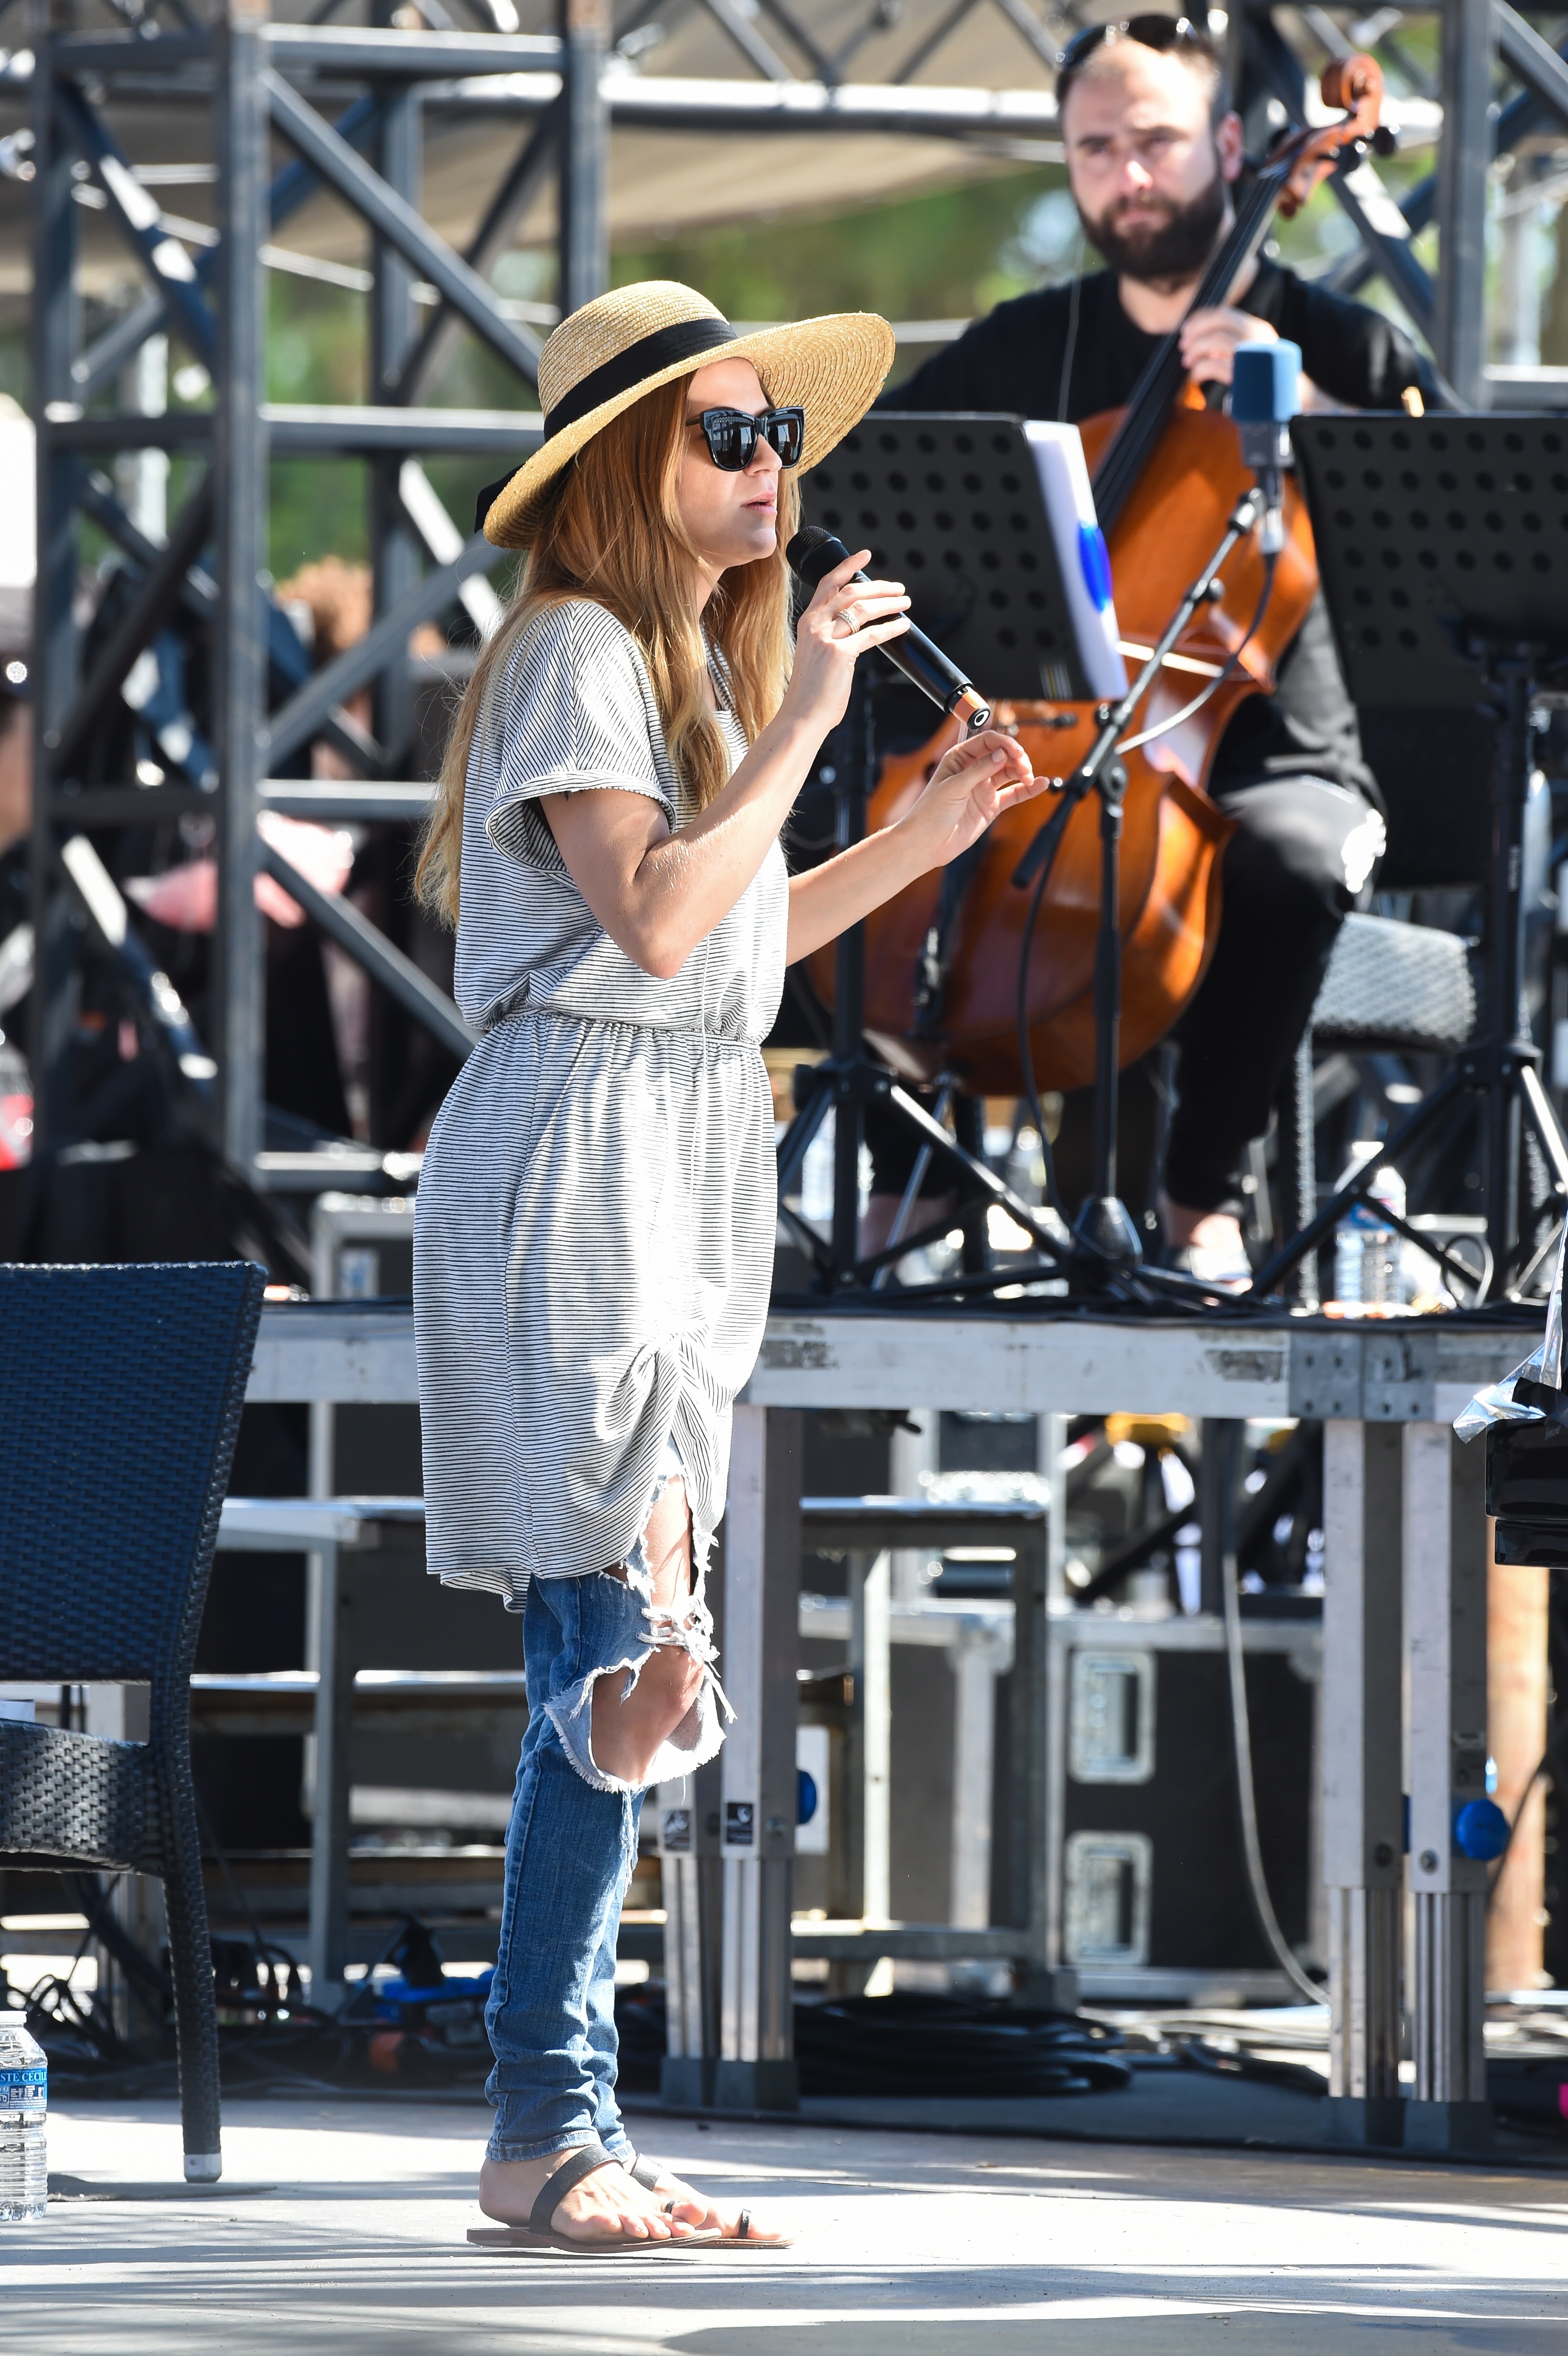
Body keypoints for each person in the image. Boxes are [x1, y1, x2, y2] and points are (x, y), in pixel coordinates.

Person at [411, 281, 1040, 2251]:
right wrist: (808, 721)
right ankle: (547, 2122)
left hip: (676, 1154)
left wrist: (921, 836)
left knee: (646, 1652)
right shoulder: (579, 647)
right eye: (728, 434)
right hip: (570, 1161)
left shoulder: (676, 654)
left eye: (779, 434)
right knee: (613, 1645)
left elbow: (731, 936)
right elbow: (660, 922)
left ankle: (562, 2119)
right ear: (629, 463)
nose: (772, 468)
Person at [891, 15, 1429, 1278]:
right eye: (1096, 150)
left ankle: (1200, 1200)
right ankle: (916, 1182)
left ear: (1233, 147)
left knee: (1292, 858)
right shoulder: (1029, 344)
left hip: (1267, 748)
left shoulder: (1339, 344)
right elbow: (887, 490)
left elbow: (1443, 529)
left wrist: (1306, 407)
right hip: (1056, 730)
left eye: (1157, 142)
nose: (1128, 176)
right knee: (847, 818)